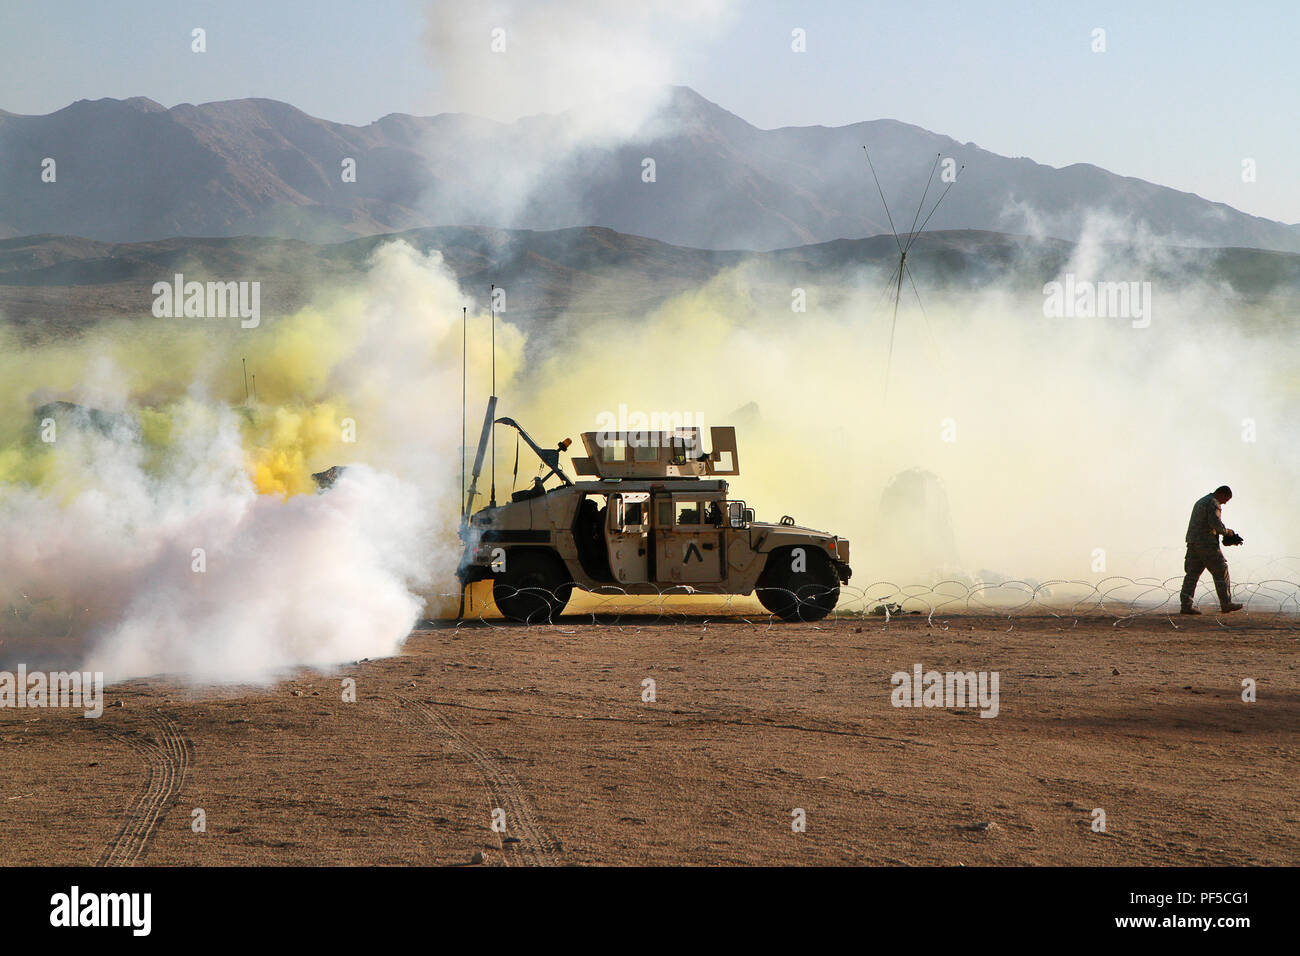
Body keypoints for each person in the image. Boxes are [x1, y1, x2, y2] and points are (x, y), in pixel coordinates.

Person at [1180, 485, 1244, 615]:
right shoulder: (1213, 503)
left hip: (1193, 542)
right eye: (1226, 499)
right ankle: (1226, 603)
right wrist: (1228, 533)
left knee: (1192, 575)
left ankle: (1186, 605)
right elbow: (1215, 524)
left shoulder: (1201, 501)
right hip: (1206, 544)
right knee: (1221, 570)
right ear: (1222, 494)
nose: (1225, 503)